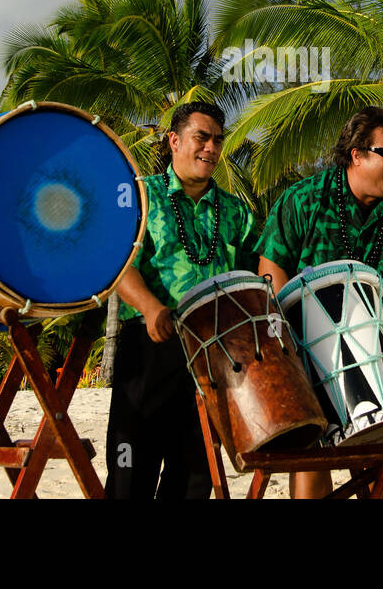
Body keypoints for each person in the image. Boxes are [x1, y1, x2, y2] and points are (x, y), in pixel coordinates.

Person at [257, 106, 383, 498]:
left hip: (377, 350)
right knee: (317, 450)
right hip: (305, 350)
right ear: (357, 155)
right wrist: (285, 347)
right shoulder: (304, 199)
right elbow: (271, 271)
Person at [106, 100, 259, 499]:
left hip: (214, 355)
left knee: (195, 474)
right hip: (150, 346)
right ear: (174, 140)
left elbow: (250, 279)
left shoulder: (237, 211)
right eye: (201, 137)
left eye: (217, 140)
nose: (210, 148)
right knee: (129, 469)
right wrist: (151, 306)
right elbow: (118, 262)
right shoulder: (140, 197)